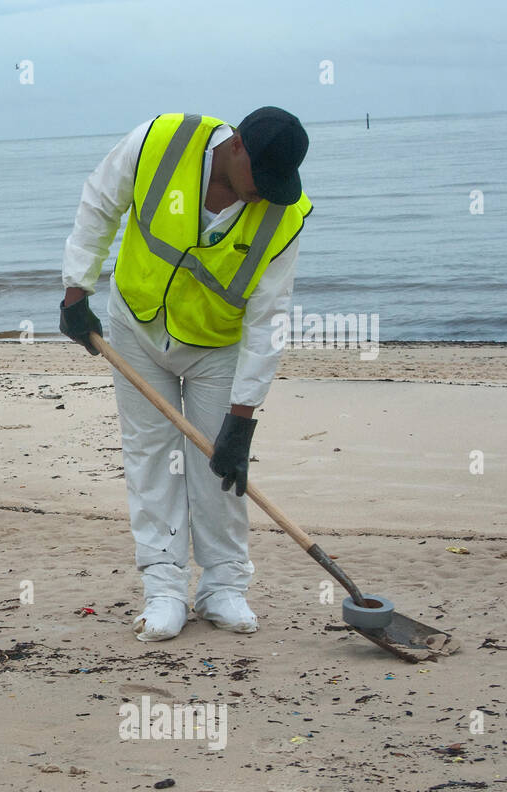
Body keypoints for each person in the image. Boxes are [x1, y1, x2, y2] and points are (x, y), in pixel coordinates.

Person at [59, 108, 311, 642]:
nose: (263, 196)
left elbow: (269, 321)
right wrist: (76, 290)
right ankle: (164, 590)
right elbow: (100, 203)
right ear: (236, 146)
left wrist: (242, 421)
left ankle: (223, 587)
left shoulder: (282, 216)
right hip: (137, 328)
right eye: (259, 182)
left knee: (218, 467)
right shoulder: (160, 141)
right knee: (150, 459)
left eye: (276, 187)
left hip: (217, 347)